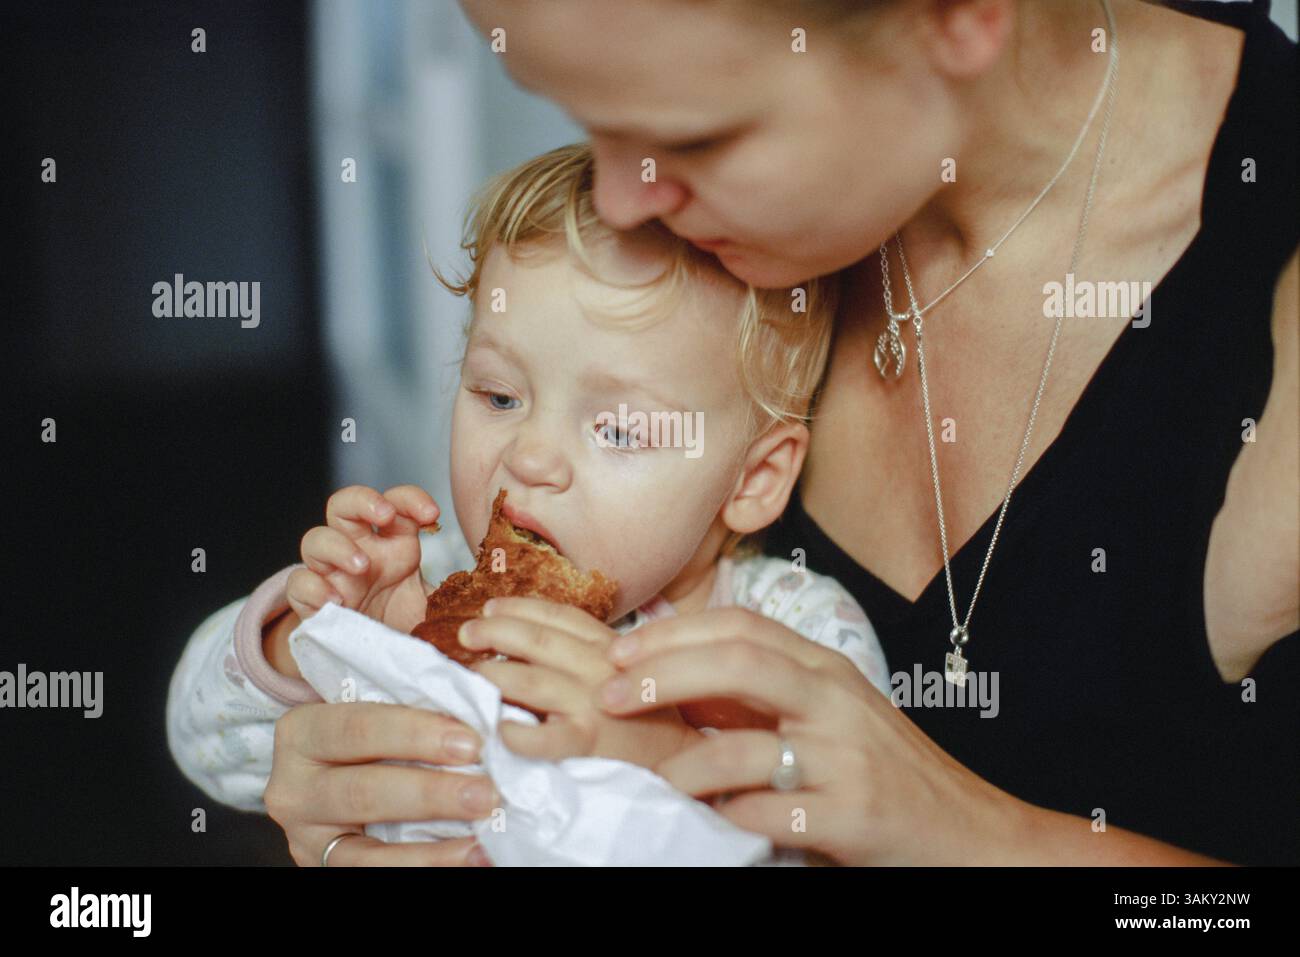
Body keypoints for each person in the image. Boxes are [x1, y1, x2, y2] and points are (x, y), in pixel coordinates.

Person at [257, 0, 1299, 865]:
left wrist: (963, 829)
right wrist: (360, 782)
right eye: (586, 121)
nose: (624, 202)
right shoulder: (687, 249)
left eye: (696, 136)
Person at [167, 143, 892, 865]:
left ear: (752, 480)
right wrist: (323, 638)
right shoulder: (439, 586)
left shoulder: (797, 636)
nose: (529, 456)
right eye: (499, 395)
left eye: (618, 429)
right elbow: (204, 745)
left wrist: (669, 759)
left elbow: (847, 846)